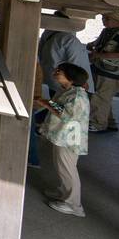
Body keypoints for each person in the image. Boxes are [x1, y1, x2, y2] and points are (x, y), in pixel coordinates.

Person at [35, 62, 91, 217]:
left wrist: (45, 103)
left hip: (69, 139)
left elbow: (65, 114)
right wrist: (47, 102)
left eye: (59, 71)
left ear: (70, 78)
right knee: (62, 167)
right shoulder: (68, 90)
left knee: (67, 169)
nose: (56, 72)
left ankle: (74, 204)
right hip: (62, 136)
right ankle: (64, 193)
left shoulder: (77, 96)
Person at [38, 11, 94, 97]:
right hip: (72, 85)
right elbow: (76, 64)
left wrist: (44, 103)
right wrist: (82, 82)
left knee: (56, 104)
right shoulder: (69, 39)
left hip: (56, 81)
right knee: (69, 108)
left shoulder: (48, 34)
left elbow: (40, 53)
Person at [88, 13, 119, 133]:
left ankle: (98, 124)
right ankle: (110, 123)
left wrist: (98, 55)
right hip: (99, 68)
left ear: (117, 20)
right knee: (103, 98)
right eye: (103, 18)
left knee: (100, 98)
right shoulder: (106, 31)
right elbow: (96, 43)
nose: (104, 20)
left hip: (112, 73)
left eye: (107, 18)